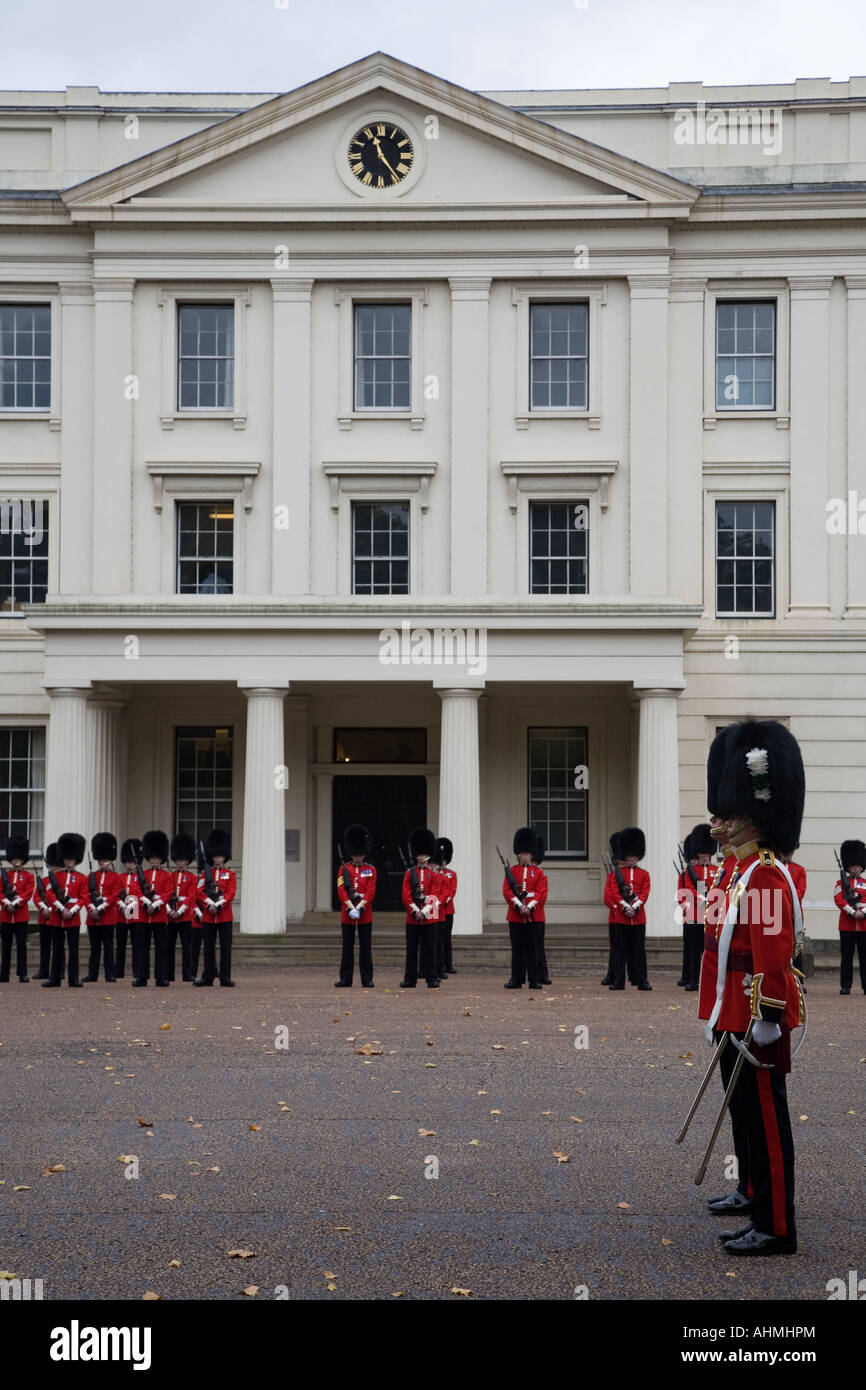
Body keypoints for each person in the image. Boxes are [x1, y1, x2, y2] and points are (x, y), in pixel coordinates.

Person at [700, 719, 805, 1256]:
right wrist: (717, 1009)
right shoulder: (733, 871)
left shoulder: (764, 874)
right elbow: (713, 936)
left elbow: (771, 951)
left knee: (765, 1119)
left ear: (754, 814)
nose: (719, 819)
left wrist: (767, 1016)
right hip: (731, 1006)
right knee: (742, 1111)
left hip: (755, 1013)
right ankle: (752, 1193)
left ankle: (777, 1225)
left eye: (730, 810)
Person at [603, 828, 651, 991]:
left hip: (638, 917)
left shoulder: (644, 874)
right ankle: (618, 981)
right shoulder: (618, 874)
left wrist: (635, 906)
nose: (631, 859)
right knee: (619, 952)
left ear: (638, 856)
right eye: (629, 856)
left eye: (633, 857)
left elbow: (645, 892)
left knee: (639, 951)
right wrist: (624, 907)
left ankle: (642, 980)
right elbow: (614, 892)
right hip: (621, 918)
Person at [503, 827, 548, 990]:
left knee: (533, 949)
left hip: (533, 915)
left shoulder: (539, 873)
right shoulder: (512, 871)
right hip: (516, 916)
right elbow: (507, 891)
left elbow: (542, 894)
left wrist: (529, 907)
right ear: (518, 854)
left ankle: (534, 979)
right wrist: (518, 905)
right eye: (522, 853)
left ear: (532, 854)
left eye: (527, 853)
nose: (524, 856)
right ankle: (516, 978)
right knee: (517, 949)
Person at [43, 832, 89, 988]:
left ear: (76, 859)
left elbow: (84, 897)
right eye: (67, 858)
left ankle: (73, 978)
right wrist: (61, 908)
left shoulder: (82, 877)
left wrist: (73, 911)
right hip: (57, 916)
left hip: (73, 918)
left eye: (72, 858)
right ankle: (54, 978)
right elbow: (49, 894)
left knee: (73, 950)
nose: (69, 861)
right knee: (56, 949)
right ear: (63, 858)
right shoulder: (56, 876)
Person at [335, 823, 377, 987]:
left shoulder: (371, 869)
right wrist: (350, 907)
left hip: (365, 913)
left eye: (360, 855)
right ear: (352, 854)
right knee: (347, 948)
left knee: (365, 948)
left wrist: (360, 907)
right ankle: (346, 979)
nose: (358, 857)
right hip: (348, 913)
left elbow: (371, 891)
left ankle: (367, 979)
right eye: (355, 854)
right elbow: (340, 889)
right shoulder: (343, 869)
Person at [194, 828, 236, 987]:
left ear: (224, 857)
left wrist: (217, 905)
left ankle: (225, 977)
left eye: (220, 856)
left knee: (225, 948)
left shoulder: (230, 874)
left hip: (224, 915)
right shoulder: (206, 874)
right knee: (208, 948)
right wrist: (209, 904)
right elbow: (199, 891)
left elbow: (231, 893)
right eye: (216, 856)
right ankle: (208, 977)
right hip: (208, 916)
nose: (218, 859)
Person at [676, 823, 715, 992]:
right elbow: (688, 887)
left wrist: (711, 898)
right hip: (694, 914)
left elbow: (719, 887)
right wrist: (699, 897)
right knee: (693, 950)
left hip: (710, 914)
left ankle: (709, 980)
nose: (704, 856)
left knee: (710, 950)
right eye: (701, 853)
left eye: (706, 853)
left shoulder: (716, 870)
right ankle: (693, 980)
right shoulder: (690, 871)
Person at [400, 827, 440, 989]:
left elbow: (435, 894)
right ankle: (410, 979)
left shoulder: (434, 874)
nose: (421, 856)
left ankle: (432, 978)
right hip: (413, 916)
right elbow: (405, 894)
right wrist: (415, 910)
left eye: (423, 854)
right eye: (419, 854)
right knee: (411, 949)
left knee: (430, 949)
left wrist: (424, 911)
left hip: (429, 916)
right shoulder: (410, 873)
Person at [135, 831, 172, 987]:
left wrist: (154, 905)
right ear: (149, 858)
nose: (155, 860)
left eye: (157, 858)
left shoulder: (167, 875)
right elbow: (136, 890)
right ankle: (142, 977)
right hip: (144, 915)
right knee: (143, 948)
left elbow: (168, 893)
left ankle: (161, 977)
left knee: (160, 949)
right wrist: (146, 904)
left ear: (161, 858)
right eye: (152, 858)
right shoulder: (143, 874)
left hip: (160, 916)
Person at [83, 833, 120, 983]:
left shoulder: (116, 877)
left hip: (108, 916)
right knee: (95, 948)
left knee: (109, 947)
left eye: (105, 860)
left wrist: (101, 909)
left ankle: (110, 974)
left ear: (110, 860)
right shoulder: (90, 876)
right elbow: (85, 894)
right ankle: (92, 974)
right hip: (93, 917)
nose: (103, 862)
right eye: (101, 860)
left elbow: (114, 896)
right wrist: (92, 909)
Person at [833, 838, 866, 996]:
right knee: (846, 957)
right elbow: (839, 899)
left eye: (858, 865)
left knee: (865, 957)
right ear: (848, 866)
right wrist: (853, 912)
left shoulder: (865, 883)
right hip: (847, 925)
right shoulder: (840, 882)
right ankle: (845, 985)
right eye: (853, 865)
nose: (856, 867)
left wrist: (862, 911)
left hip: (864, 925)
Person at [0, 834, 34, 983]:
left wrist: (16, 903)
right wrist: (6, 904)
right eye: (14, 858)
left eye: (18, 858)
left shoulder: (28, 876)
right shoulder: (4, 875)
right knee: (5, 946)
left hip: (21, 915)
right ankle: (4, 973)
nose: (16, 861)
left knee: (21, 946)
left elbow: (28, 892)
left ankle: (22, 973)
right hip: (6, 915)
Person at [167, 833, 199, 983]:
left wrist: (180, 911)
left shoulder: (192, 877)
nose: (180, 862)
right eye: (178, 860)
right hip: (171, 915)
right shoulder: (170, 876)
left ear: (187, 860)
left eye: (183, 860)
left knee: (187, 947)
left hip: (185, 915)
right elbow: (166, 894)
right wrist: (170, 910)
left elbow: (191, 896)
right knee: (169, 947)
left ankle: (188, 974)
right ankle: (169, 974)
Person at [116, 839, 143, 981]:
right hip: (121, 915)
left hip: (136, 915)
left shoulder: (140, 877)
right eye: (127, 862)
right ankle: (118, 971)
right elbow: (116, 894)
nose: (129, 864)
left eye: (132, 862)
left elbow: (140, 893)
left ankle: (137, 971)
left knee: (136, 945)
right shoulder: (120, 877)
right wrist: (122, 906)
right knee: (120, 944)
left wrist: (130, 906)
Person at [32, 842, 58, 980]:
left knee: (57, 946)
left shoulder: (61, 880)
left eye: (56, 864)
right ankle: (43, 970)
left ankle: (58, 971)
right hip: (44, 917)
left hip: (56, 917)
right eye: (52, 864)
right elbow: (37, 897)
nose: (54, 867)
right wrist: (44, 908)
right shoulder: (44, 880)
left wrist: (51, 909)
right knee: (45, 946)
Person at [437, 837, 458, 975]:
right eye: (441, 860)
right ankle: (440, 965)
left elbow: (452, 890)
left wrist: (446, 899)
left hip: (448, 909)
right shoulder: (435, 873)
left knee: (446, 938)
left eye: (445, 861)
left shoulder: (452, 874)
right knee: (438, 938)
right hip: (437, 910)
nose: (443, 863)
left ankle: (448, 964)